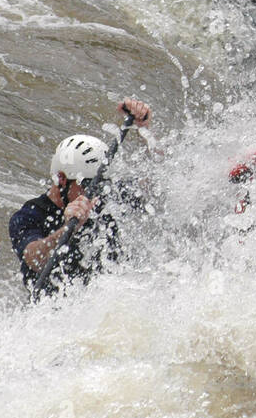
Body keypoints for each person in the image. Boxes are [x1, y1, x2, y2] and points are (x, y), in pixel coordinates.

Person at [9, 98, 152, 295]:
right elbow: (34, 259)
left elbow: (155, 187)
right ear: (61, 179)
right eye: (88, 184)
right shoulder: (29, 215)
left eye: (101, 183)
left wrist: (141, 131)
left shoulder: (104, 196)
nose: (96, 191)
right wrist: (69, 228)